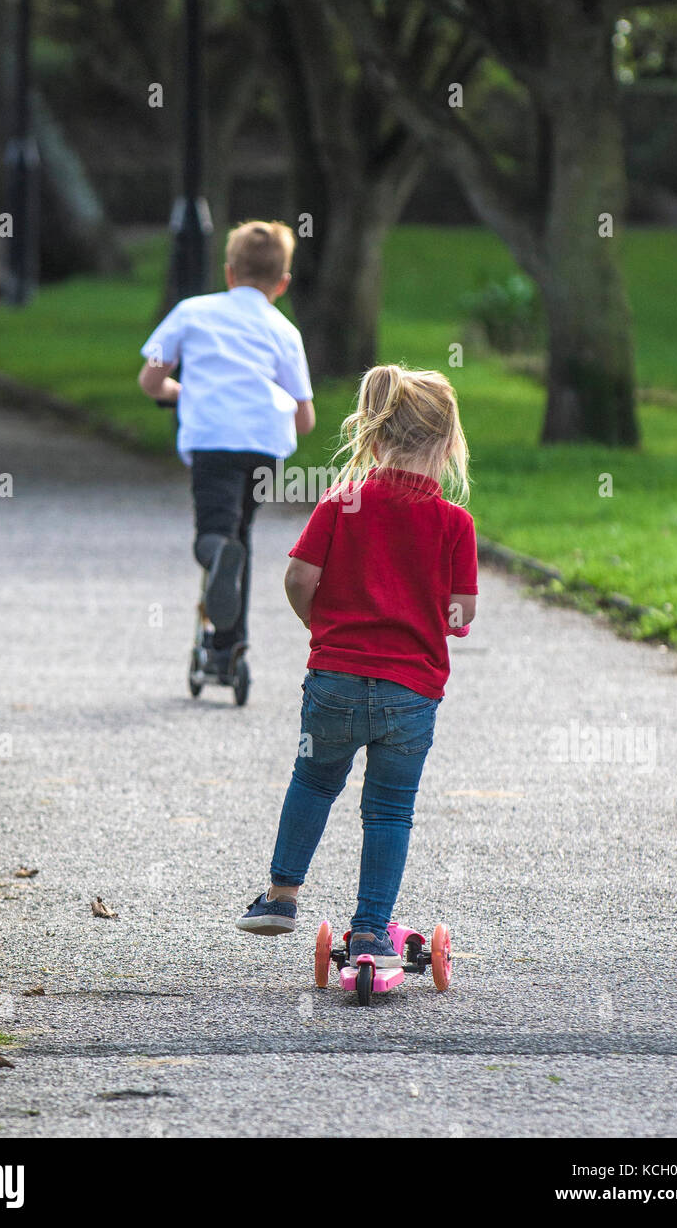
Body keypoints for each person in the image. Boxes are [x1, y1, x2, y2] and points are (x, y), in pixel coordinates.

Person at [235, 364, 477, 965]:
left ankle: (281, 896)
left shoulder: (343, 500)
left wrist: (319, 625)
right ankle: (370, 931)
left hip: (334, 683)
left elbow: (298, 577)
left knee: (314, 780)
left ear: (372, 434)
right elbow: (459, 614)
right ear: (449, 445)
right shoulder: (455, 523)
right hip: (410, 692)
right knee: (390, 809)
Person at [138, 221, 315, 675]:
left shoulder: (191, 312)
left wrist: (185, 393)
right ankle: (229, 645)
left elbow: (151, 381)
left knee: (215, 535)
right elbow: (305, 416)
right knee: (241, 535)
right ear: (282, 283)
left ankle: (217, 557)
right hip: (264, 447)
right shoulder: (284, 330)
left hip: (213, 439)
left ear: (229, 272)